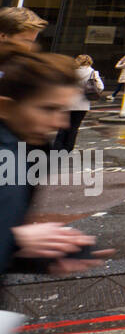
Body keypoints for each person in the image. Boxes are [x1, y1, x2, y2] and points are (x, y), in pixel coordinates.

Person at [2, 48, 113, 280]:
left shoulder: (30, 153)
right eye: (48, 109)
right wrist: (16, 239)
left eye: (64, 110)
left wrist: (42, 256)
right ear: (6, 108)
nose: (61, 122)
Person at [55, 55, 102, 154]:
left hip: (68, 101)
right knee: (74, 127)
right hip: (82, 104)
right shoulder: (93, 73)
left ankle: (57, 147)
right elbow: (100, 87)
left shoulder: (70, 71)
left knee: (63, 126)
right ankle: (68, 148)